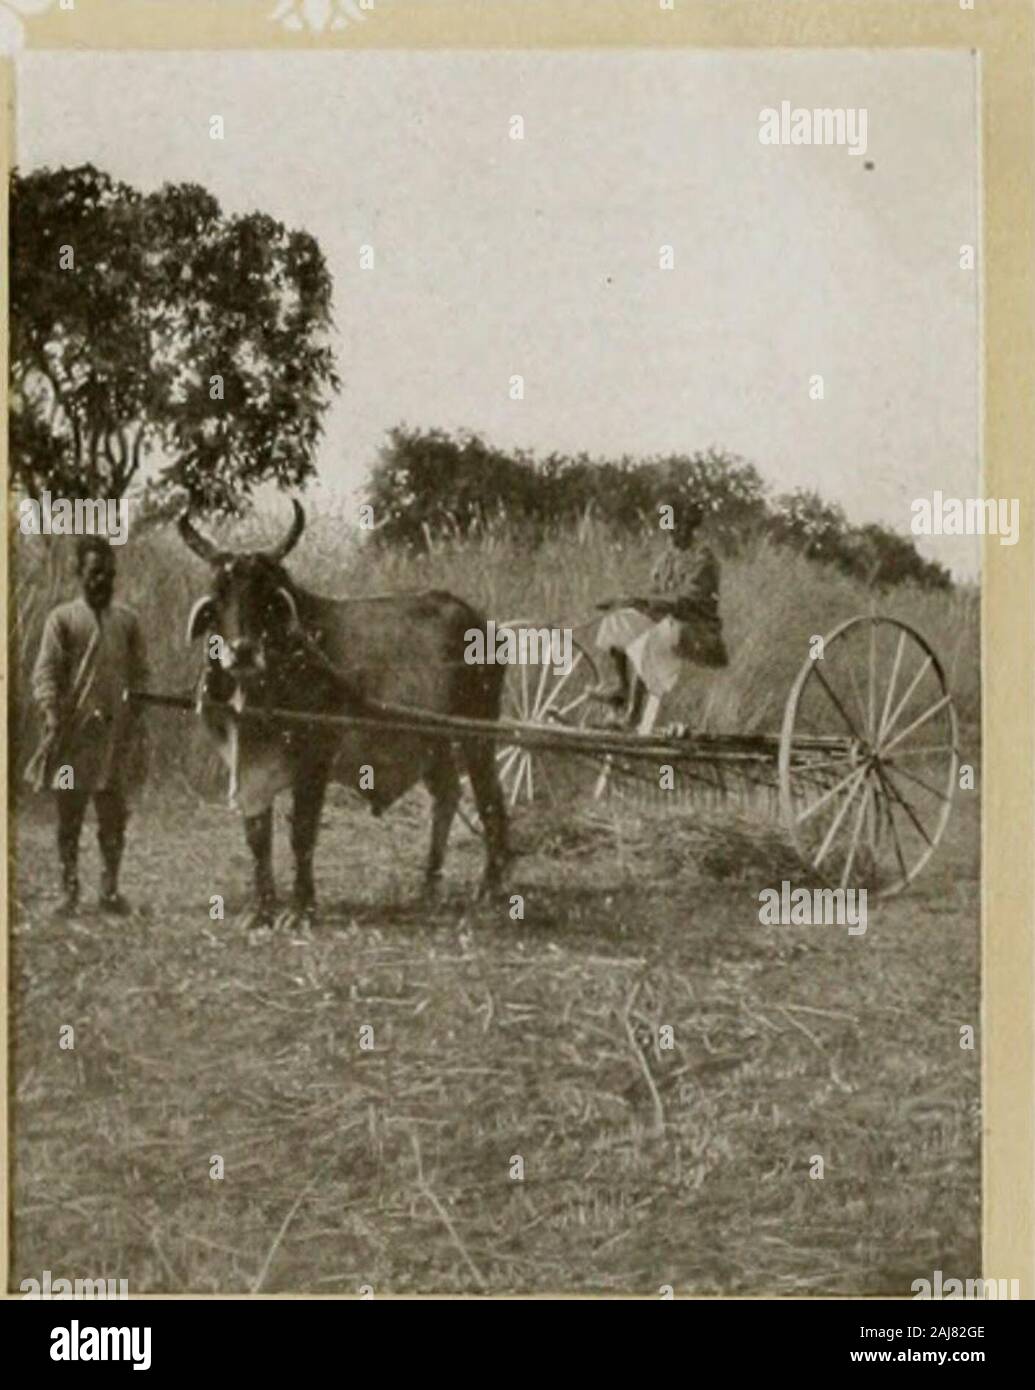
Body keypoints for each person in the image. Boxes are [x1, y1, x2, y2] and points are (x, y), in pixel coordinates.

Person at [30, 534, 150, 915]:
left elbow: (142, 674)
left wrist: (136, 717)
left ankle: (109, 891)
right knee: (69, 815)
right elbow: (46, 674)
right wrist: (52, 715)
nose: (103, 581)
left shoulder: (127, 621)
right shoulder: (61, 619)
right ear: (79, 573)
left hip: (114, 741)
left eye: (109, 574)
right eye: (95, 573)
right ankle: (68, 891)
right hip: (72, 741)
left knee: (113, 818)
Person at [593, 506, 728, 730]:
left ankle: (632, 717)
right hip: (668, 623)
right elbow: (654, 593)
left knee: (648, 641)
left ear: (689, 528)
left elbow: (684, 601)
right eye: (669, 530)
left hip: (697, 630)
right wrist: (625, 602)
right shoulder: (668, 557)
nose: (671, 535)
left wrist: (637, 601)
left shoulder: (704, 561)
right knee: (617, 621)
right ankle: (623, 688)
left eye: (676, 529)